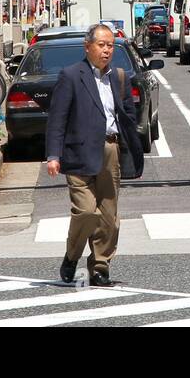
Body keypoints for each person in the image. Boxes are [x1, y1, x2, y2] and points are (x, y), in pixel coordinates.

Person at [45, 23, 143, 287]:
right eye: (101, 45)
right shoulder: (70, 75)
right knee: (87, 212)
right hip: (78, 153)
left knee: (109, 215)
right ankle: (72, 255)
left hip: (110, 150)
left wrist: (130, 143)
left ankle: (100, 266)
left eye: (110, 45)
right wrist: (53, 154)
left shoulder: (118, 77)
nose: (107, 50)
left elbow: (126, 114)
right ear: (87, 46)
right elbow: (57, 119)